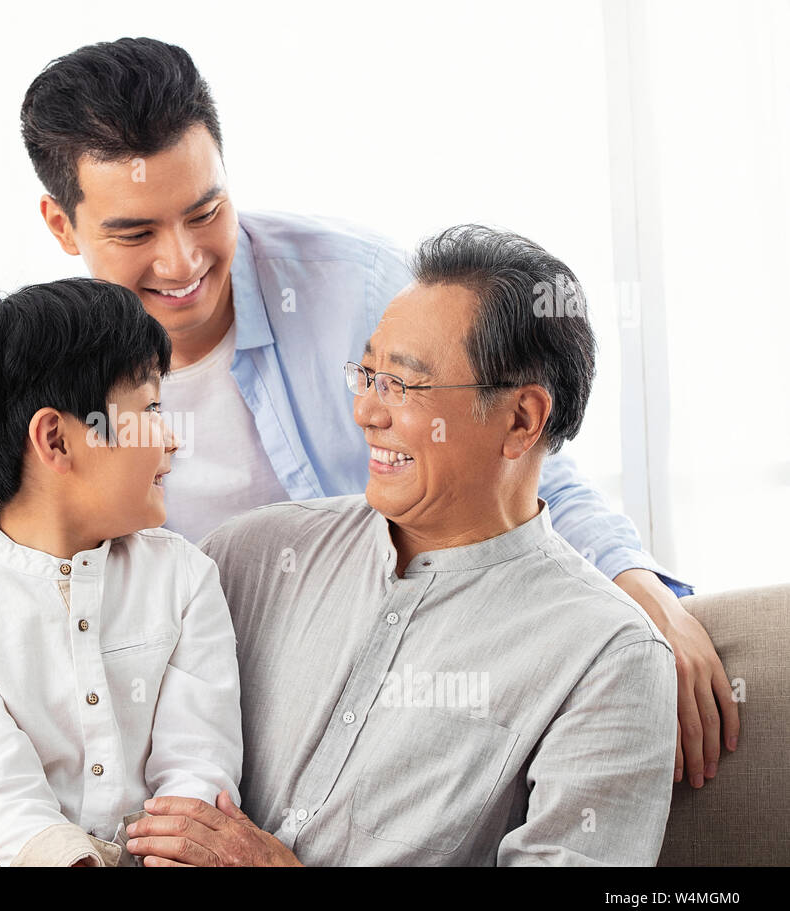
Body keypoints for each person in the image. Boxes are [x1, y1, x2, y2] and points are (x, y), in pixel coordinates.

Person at [0, 38, 736, 866]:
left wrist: (638, 589)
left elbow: (526, 456)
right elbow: (30, 563)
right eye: (134, 233)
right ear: (61, 223)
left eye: (206, 211)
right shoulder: (226, 542)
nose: (184, 258)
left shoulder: (355, 285)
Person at [120, 225, 677, 864]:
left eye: (402, 386)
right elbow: (82, 681)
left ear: (521, 420)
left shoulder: (608, 657)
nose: (365, 411)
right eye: (366, 373)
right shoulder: (248, 555)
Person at [0, 277, 241, 866]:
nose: (171, 441)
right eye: (150, 410)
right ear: (56, 439)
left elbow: (198, 760)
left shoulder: (185, 578)